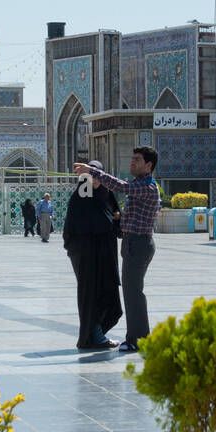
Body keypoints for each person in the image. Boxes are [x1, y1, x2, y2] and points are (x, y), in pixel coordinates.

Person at [74, 147, 161, 353]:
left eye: (137, 160)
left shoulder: (147, 186)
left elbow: (121, 187)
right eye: (132, 159)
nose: (132, 163)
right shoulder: (139, 184)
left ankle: (137, 339)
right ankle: (137, 336)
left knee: (133, 294)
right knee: (132, 293)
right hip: (133, 243)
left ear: (148, 166)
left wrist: (92, 171)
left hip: (138, 244)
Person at [63, 160, 122, 349]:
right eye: (91, 176)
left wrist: (117, 219)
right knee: (91, 295)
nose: (95, 181)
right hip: (86, 254)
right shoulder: (81, 198)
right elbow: (74, 230)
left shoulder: (106, 194)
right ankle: (93, 336)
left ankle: (97, 334)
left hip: (105, 254)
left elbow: (115, 221)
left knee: (108, 295)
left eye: (98, 176)